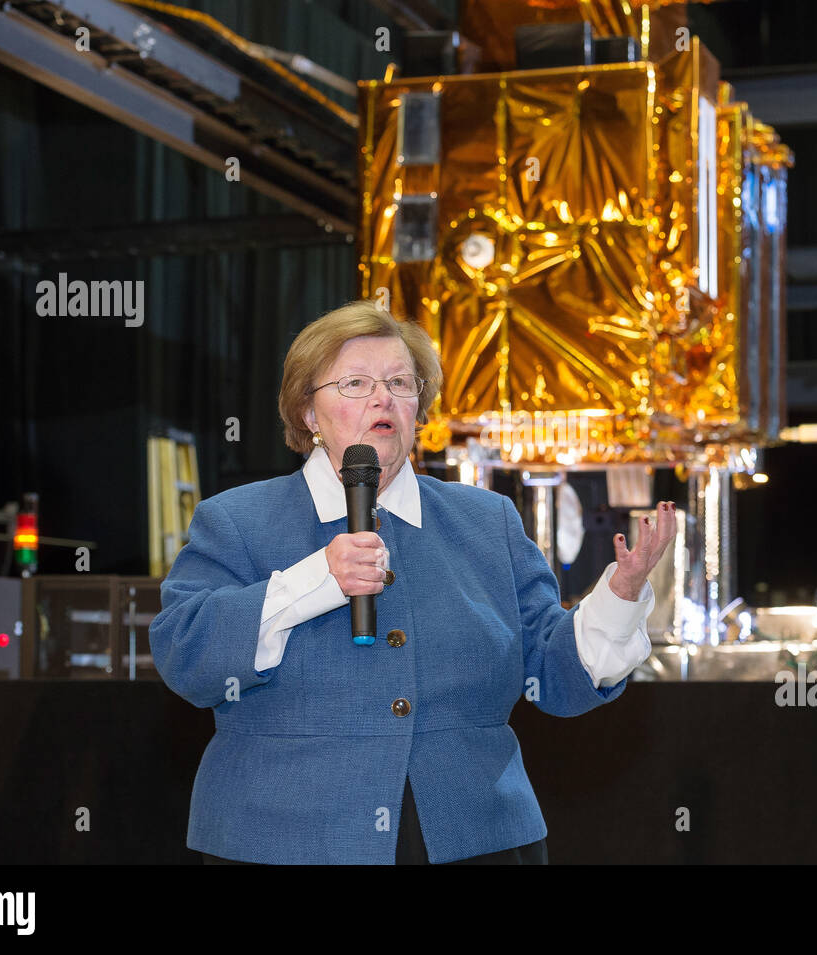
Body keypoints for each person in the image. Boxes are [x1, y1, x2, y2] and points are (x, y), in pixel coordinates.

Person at [149, 300, 677, 864]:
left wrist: (619, 597)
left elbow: (554, 677)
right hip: (284, 842)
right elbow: (187, 654)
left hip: (475, 840)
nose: (383, 398)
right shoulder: (237, 519)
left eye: (400, 382)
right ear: (309, 414)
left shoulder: (487, 520)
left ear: (418, 408)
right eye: (355, 383)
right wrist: (317, 580)